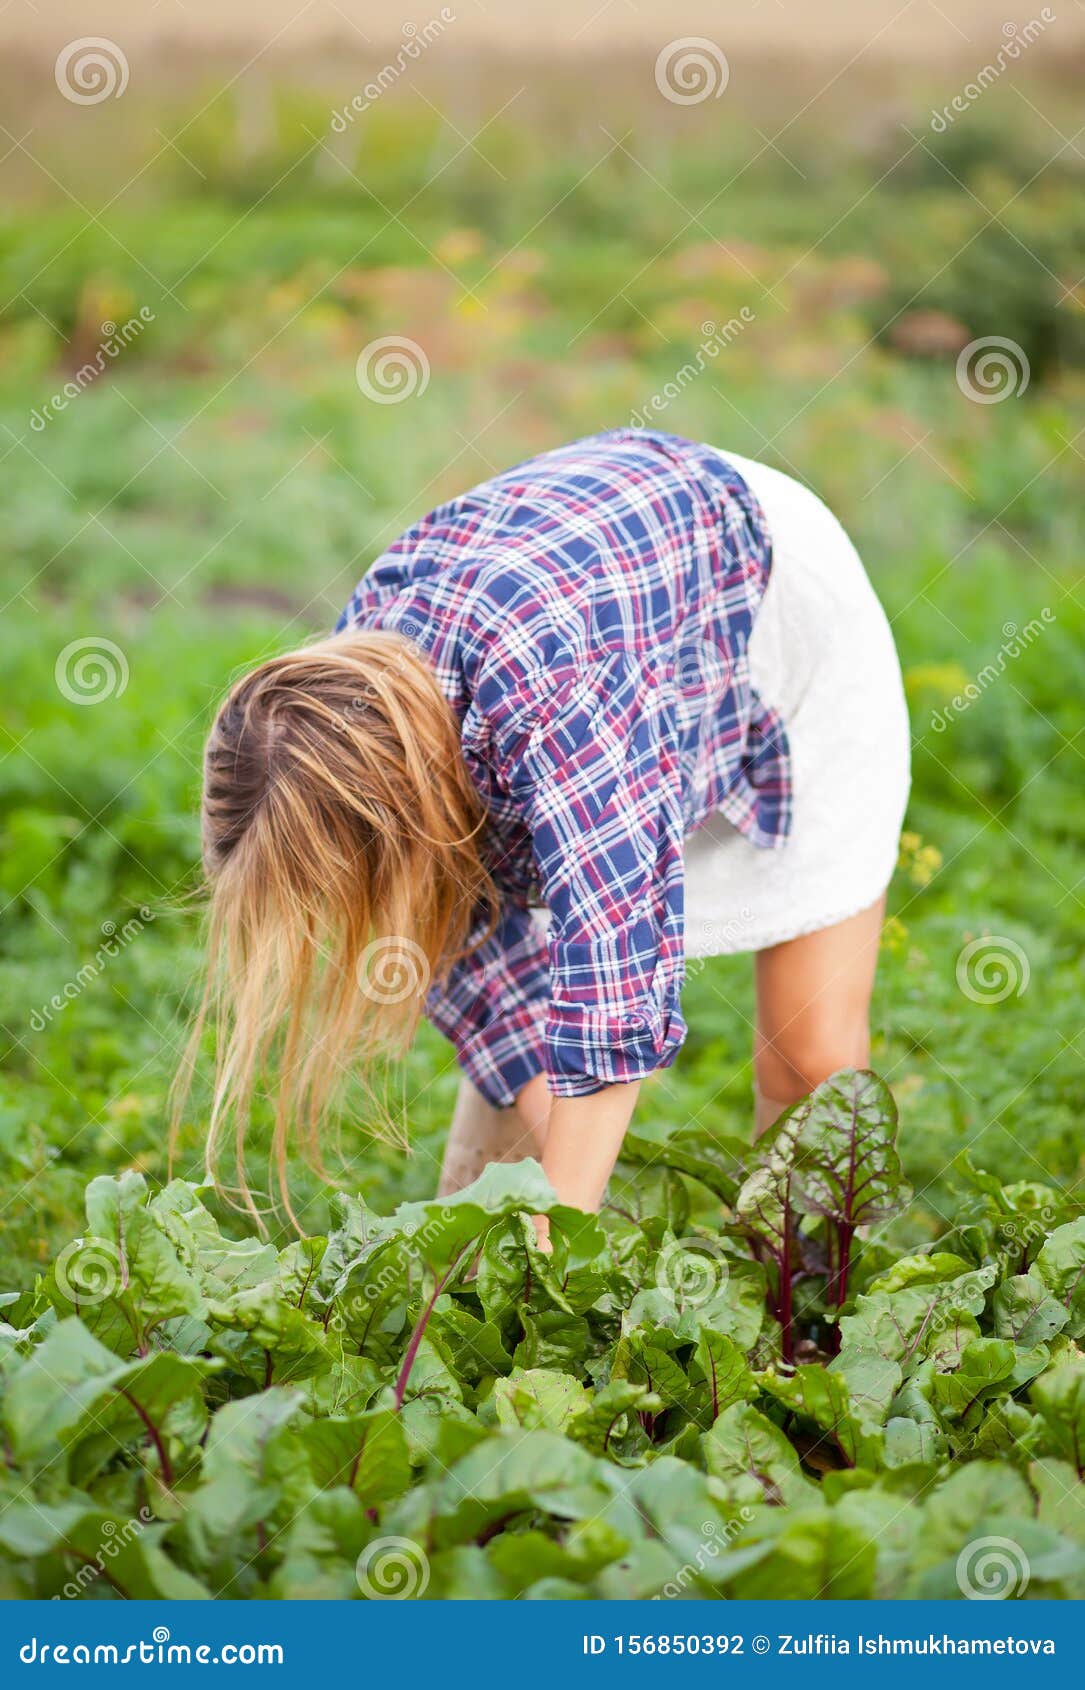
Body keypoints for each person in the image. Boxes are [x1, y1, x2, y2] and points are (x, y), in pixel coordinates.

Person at [188, 430, 909, 1231]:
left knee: (805, 1056)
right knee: (527, 1115)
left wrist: (563, 1242)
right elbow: (468, 954)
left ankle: (804, 1317)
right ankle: (480, 1288)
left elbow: (614, 975)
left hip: (766, 604)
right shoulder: (344, 703)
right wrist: (528, 1200)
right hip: (604, 600)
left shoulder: (555, 699)